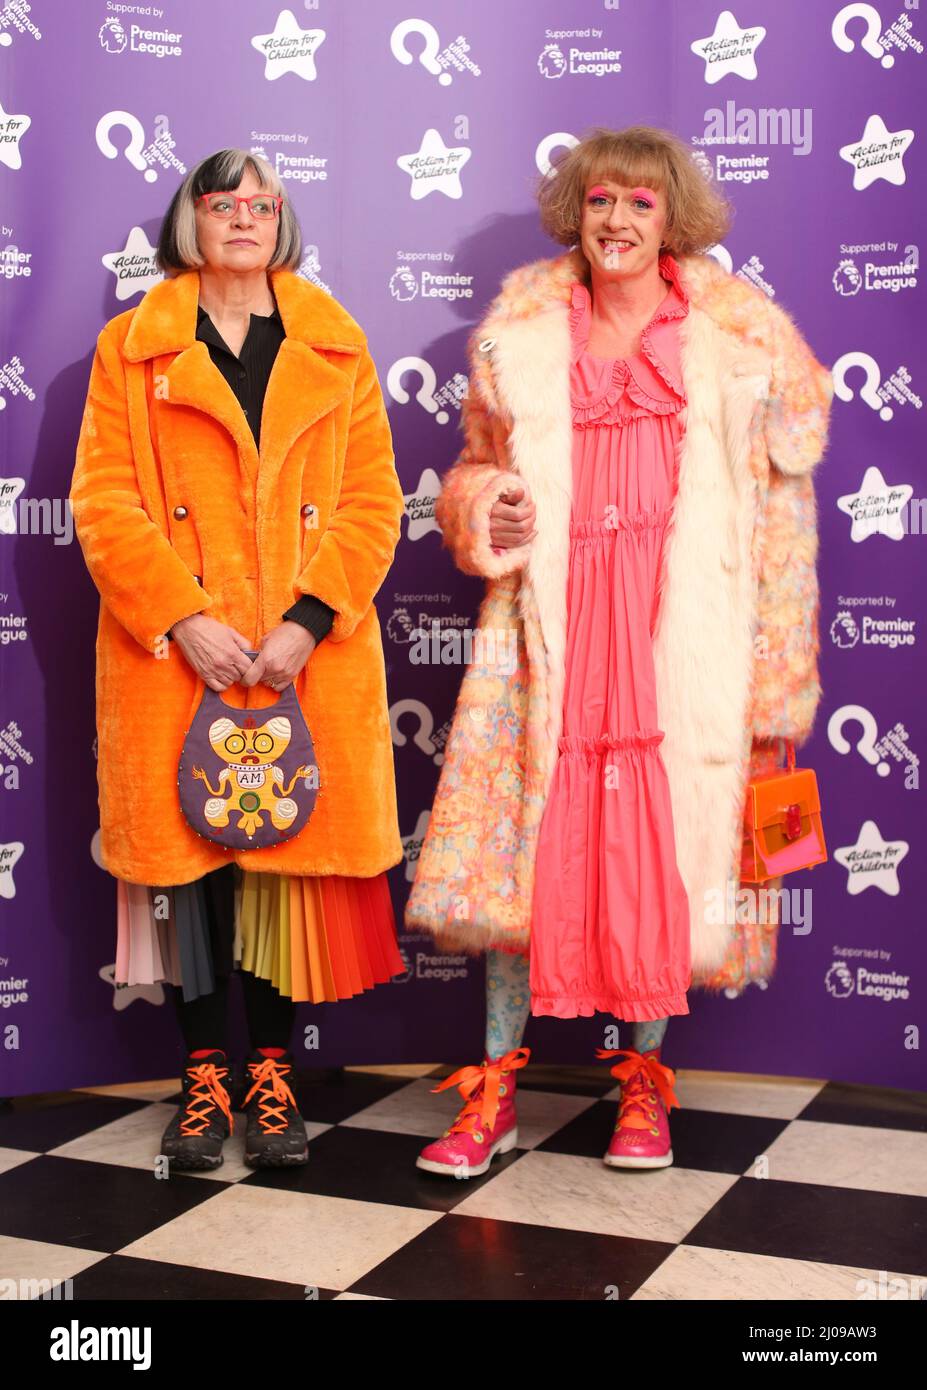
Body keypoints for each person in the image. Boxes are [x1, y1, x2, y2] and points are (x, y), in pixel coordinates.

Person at [406, 125, 833, 1176]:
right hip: (552, 636)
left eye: (641, 205)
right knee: (525, 859)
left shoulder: (743, 351)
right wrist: (485, 509)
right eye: (602, 201)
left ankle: (642, 1082)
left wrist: (776, 701)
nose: (617, 221)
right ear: (577, 212)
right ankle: (496, 1084)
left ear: (672, 219)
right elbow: (470, 475)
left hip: (680, 638)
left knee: (663, 856)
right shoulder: (521, 340)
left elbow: (781, 542)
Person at [70, 149, 406, 1171]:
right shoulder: (130, 351)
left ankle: (273, 1075)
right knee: (193, 875)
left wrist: (309, 618)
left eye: (264, 204)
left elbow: (372, 501)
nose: (246, 220)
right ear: (192, 222)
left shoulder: (338, 351)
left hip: (301, 658)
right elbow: (107, 502)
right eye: (225, 204)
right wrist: (184, 617)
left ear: (282, 222)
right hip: (181, 659)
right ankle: (202, 1078)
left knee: (277, 871)